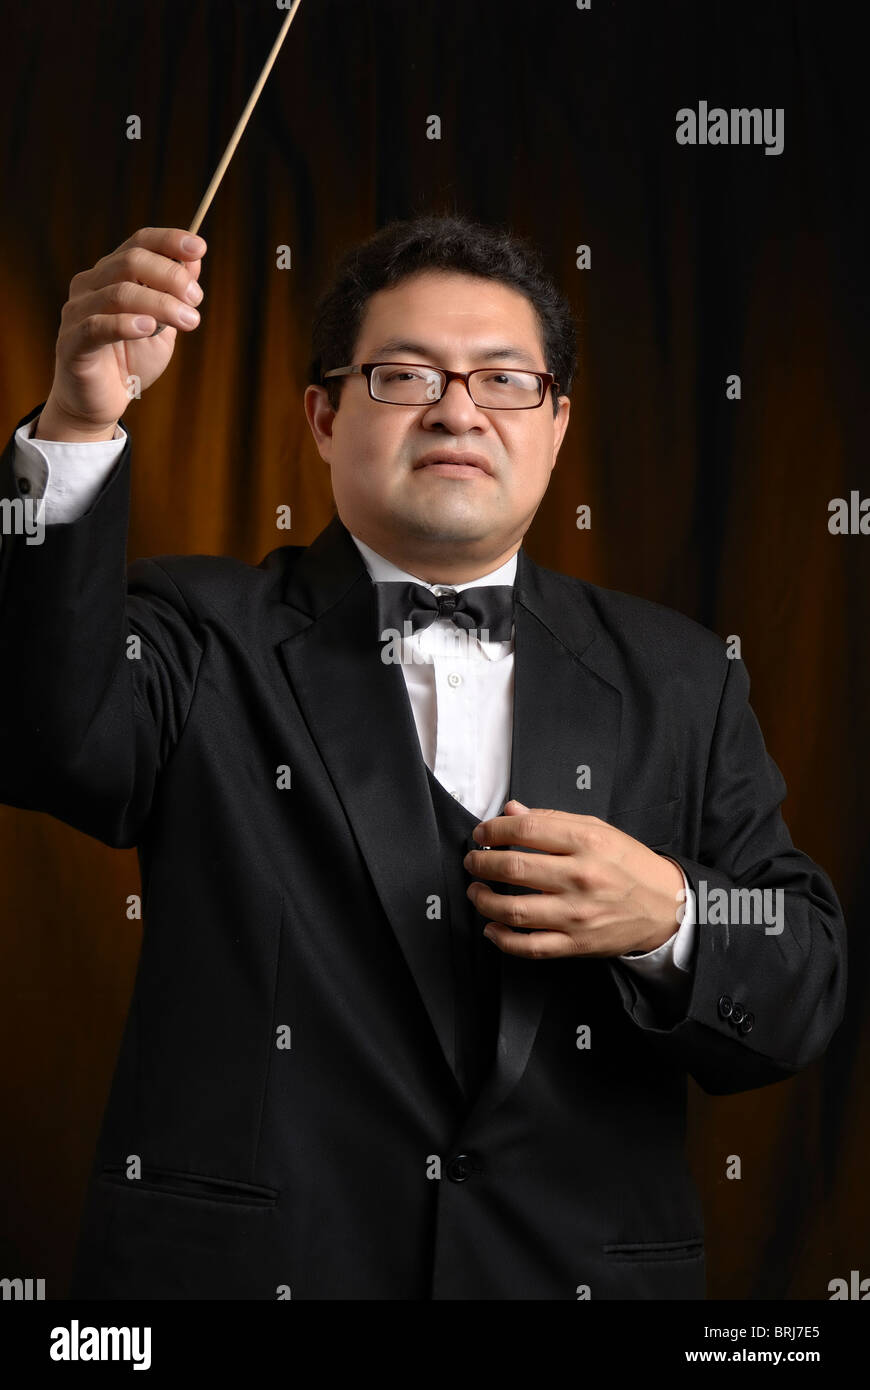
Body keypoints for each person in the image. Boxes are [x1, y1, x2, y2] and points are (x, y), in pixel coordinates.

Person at [0, 214, 846, 1300]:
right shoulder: (194, 627)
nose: (458, 410)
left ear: (557, 426)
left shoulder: (685, 675)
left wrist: (673, 915)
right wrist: (77, 415)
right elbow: (40, 736)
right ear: (323, 415)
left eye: (504, 381)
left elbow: (804, 978)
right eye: (403, 375)